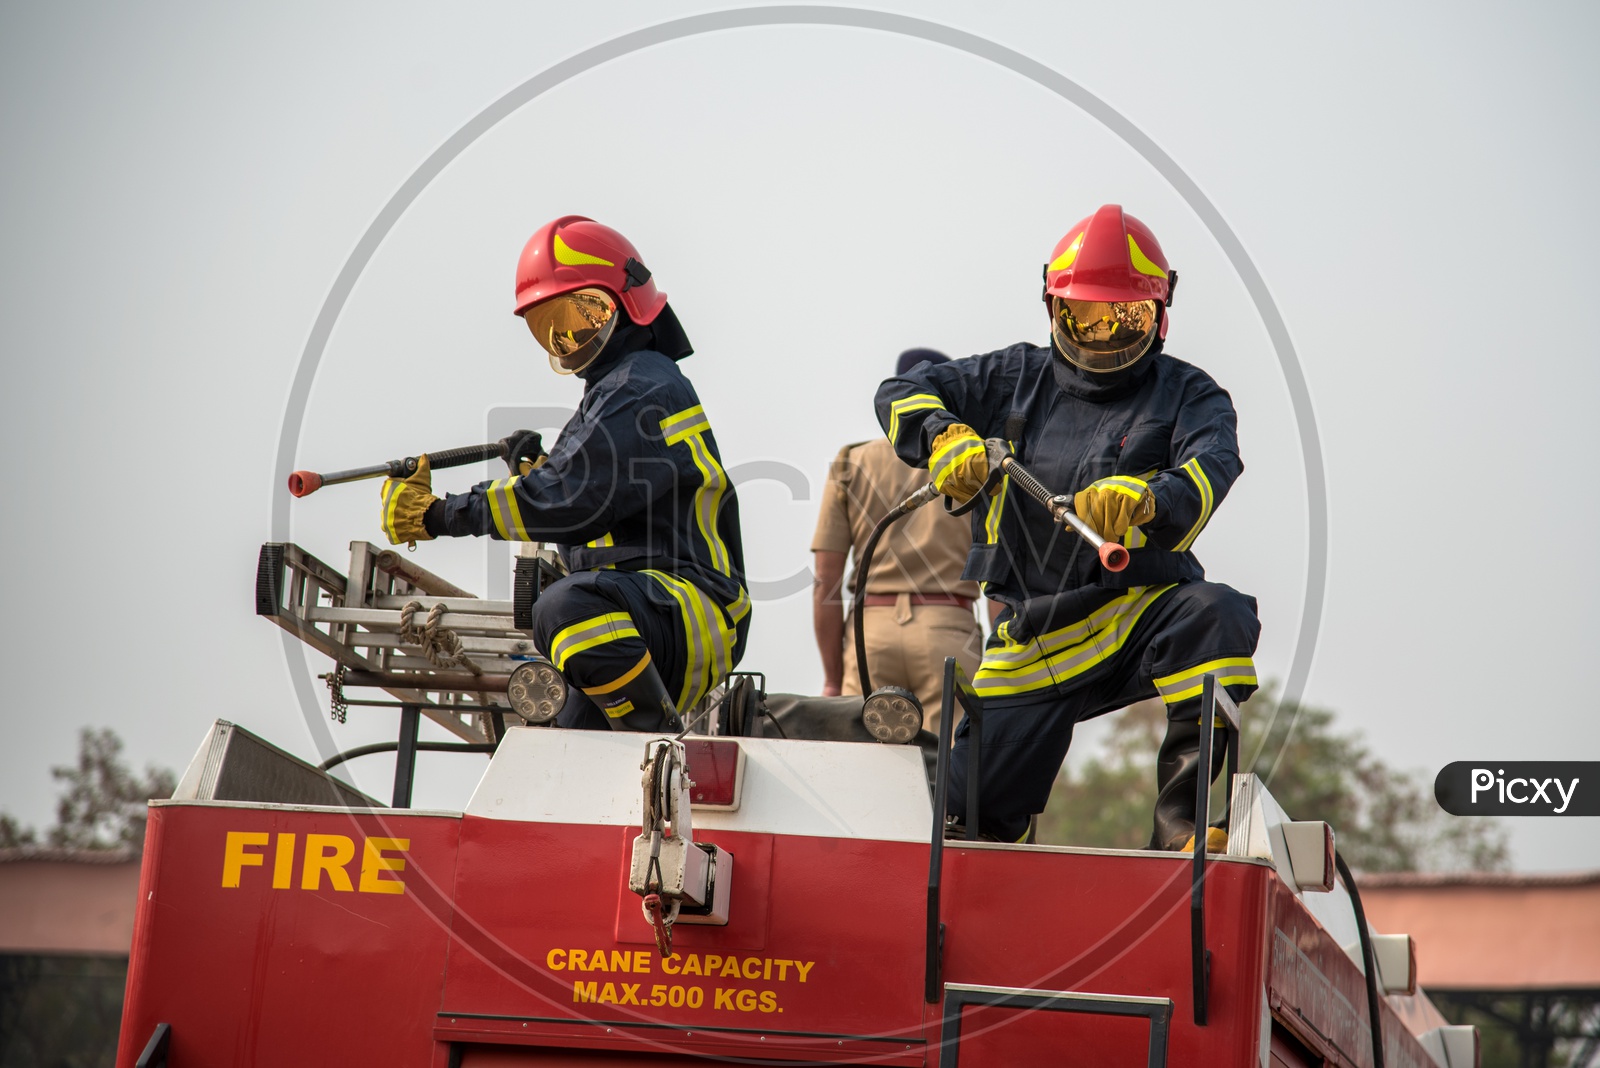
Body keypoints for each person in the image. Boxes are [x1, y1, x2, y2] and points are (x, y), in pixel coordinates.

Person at [874, 204, 1259, 849]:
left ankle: (1187, 834)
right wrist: (942, 436)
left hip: (1137, 612)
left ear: (1159, 316)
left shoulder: (1193, 394)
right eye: (1084, 315)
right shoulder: (1013, 375)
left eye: (1123, 317)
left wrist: (1149, 498)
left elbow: (1213, 466)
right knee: (967, 816)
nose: (1101, 335)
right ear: (1053, 306)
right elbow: (901, 390)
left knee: (1214, 614)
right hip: (1034, 637)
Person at [378, 215, 749, 732]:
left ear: (625, 300)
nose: (567, 338)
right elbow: (587, 502)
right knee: (560, 755)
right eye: (549, 326)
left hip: (685, 606)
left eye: (581, 314)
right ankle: (631, 762)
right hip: (647, 609)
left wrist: (440, 514)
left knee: (564, 609)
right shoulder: (617, 391)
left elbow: (569, 500)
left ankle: (658, 744)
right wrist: (542, 472)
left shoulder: (639, 386)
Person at [811, 349, 984, 734]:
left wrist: (832, 679)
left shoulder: (851, 462)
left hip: (871, 633)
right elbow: (1000, 572)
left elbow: (826, 581)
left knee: (862, 772)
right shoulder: (975, 465)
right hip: (949, 628)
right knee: (950, 775)